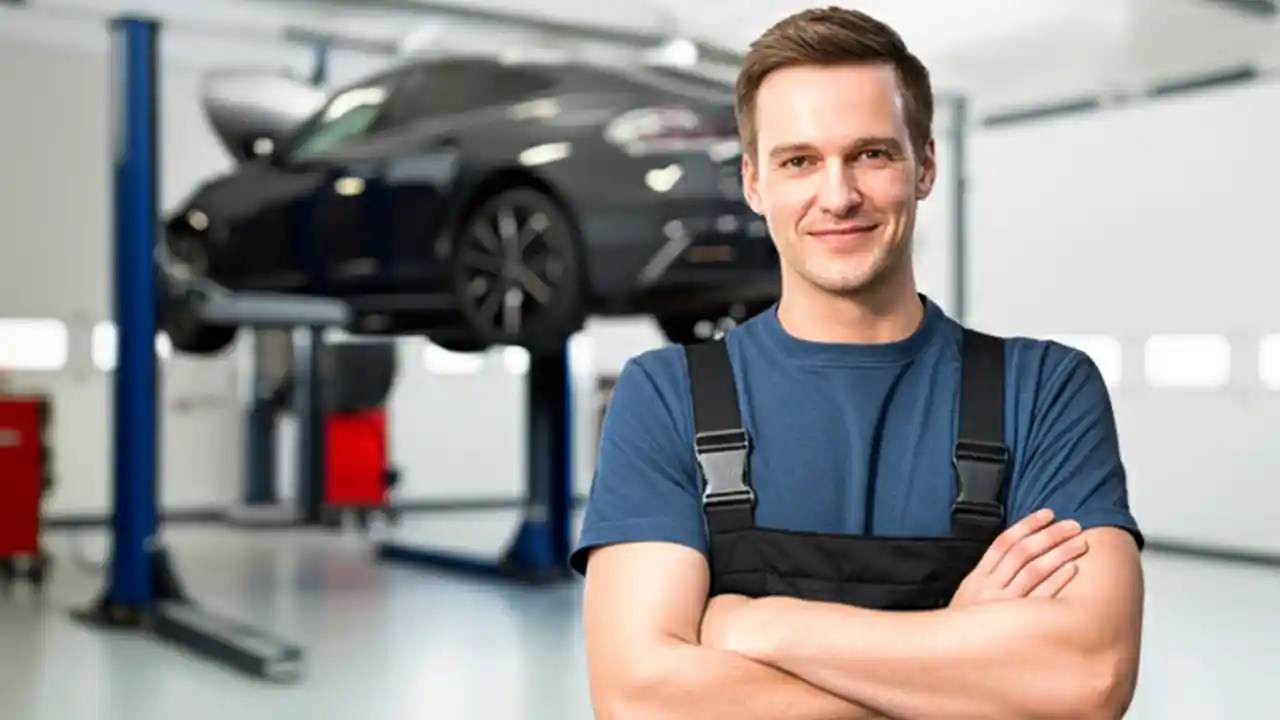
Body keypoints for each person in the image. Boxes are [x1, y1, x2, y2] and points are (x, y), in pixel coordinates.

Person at [571, 6, 1145, 719]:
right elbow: (639, 697)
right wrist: (961, 659)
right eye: (799, 161)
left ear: (925, 165)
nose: (837, 195)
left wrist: (758, 625)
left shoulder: (1043, 391)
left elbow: (1085, 681)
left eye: (871, 153)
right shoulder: (667, 397)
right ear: (755, 183)